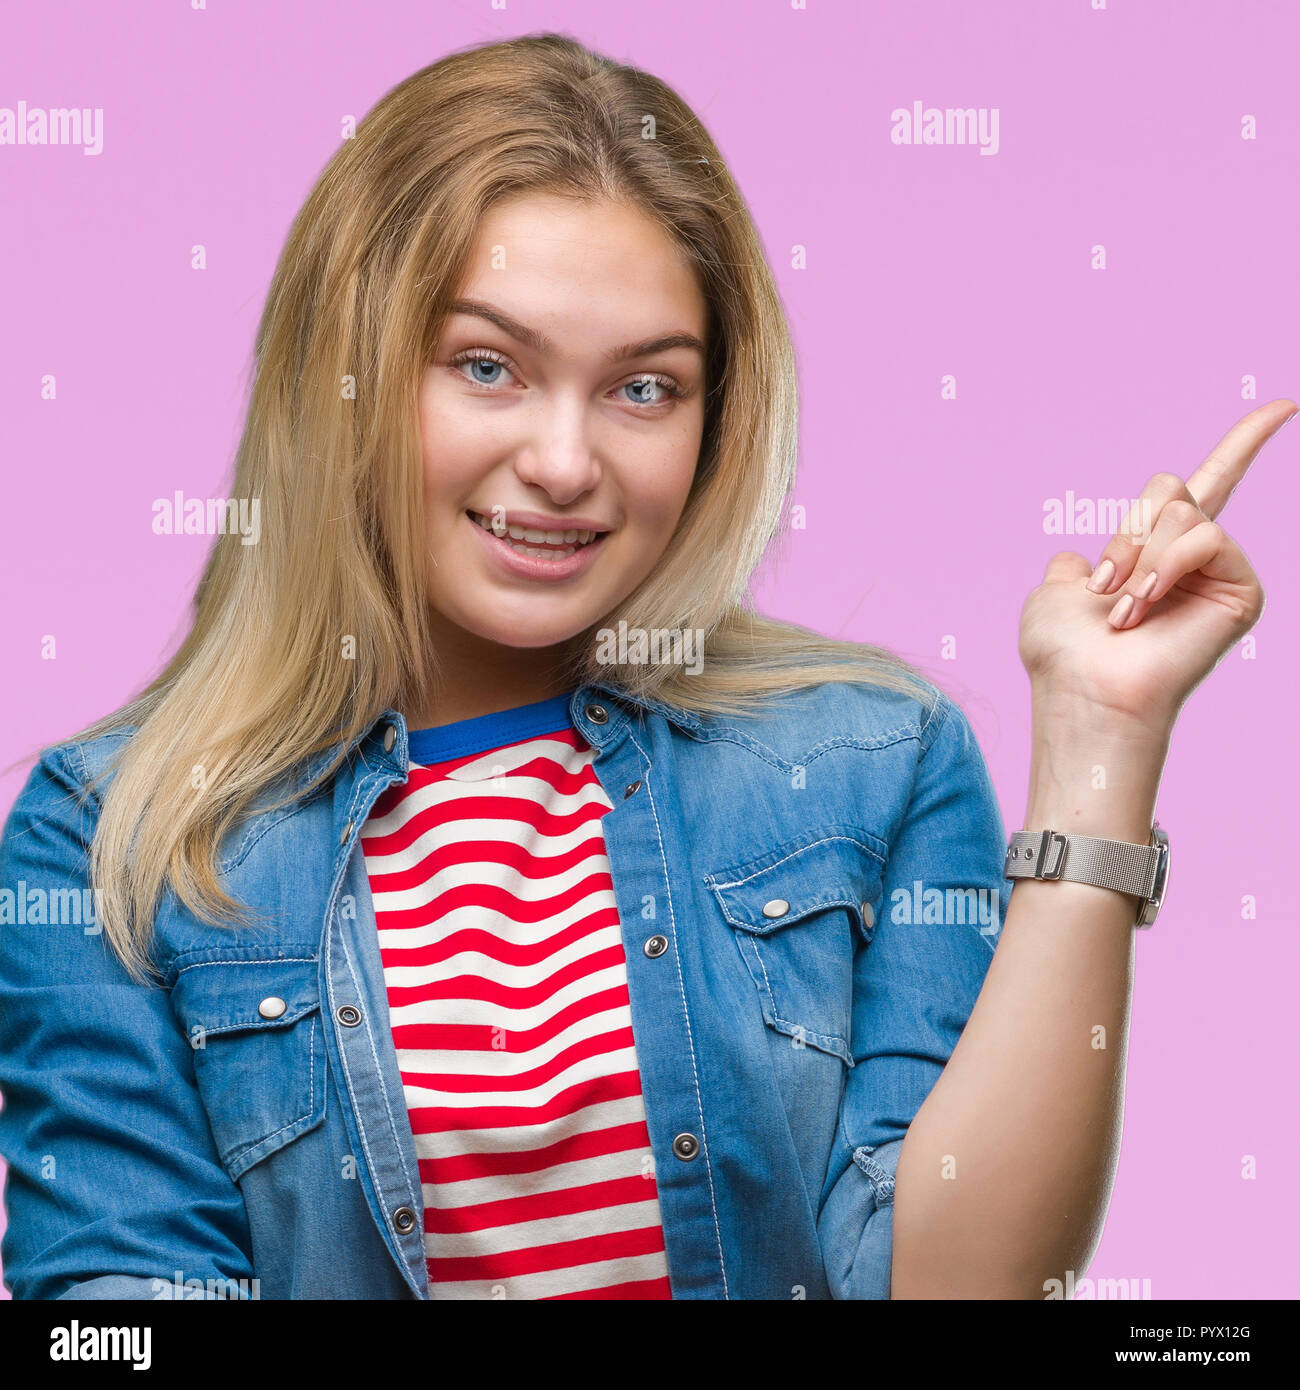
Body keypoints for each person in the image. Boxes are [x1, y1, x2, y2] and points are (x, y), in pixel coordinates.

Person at [0, 32, 1288, 1301]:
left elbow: (959, 1290)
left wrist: (1097, 738)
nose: (565, 462)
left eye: (644, 390)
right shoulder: (112, 838)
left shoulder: (871, 762)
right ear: (342, 379)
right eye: (486, 367)